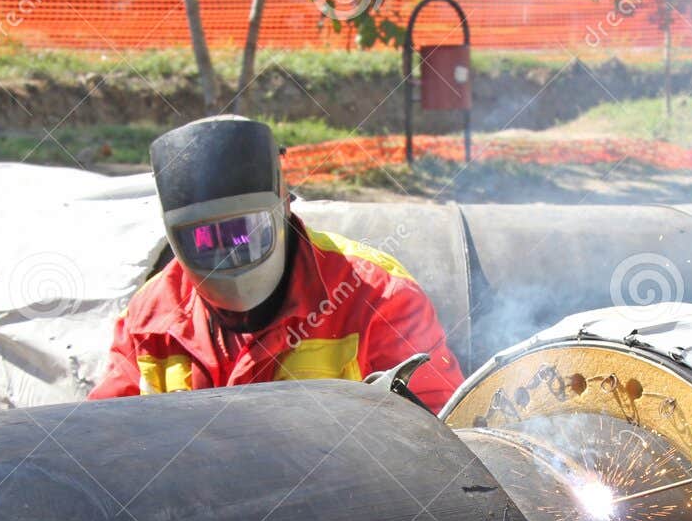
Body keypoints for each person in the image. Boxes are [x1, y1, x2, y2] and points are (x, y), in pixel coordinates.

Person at [89, 115, 463, 410]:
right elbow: (102, 438)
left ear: (283, 205)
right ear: (175, 238)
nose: (230, 254)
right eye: (206, 239)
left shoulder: (377, 298)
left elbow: (440, 439)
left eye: (244, 233)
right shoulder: (149, 318)